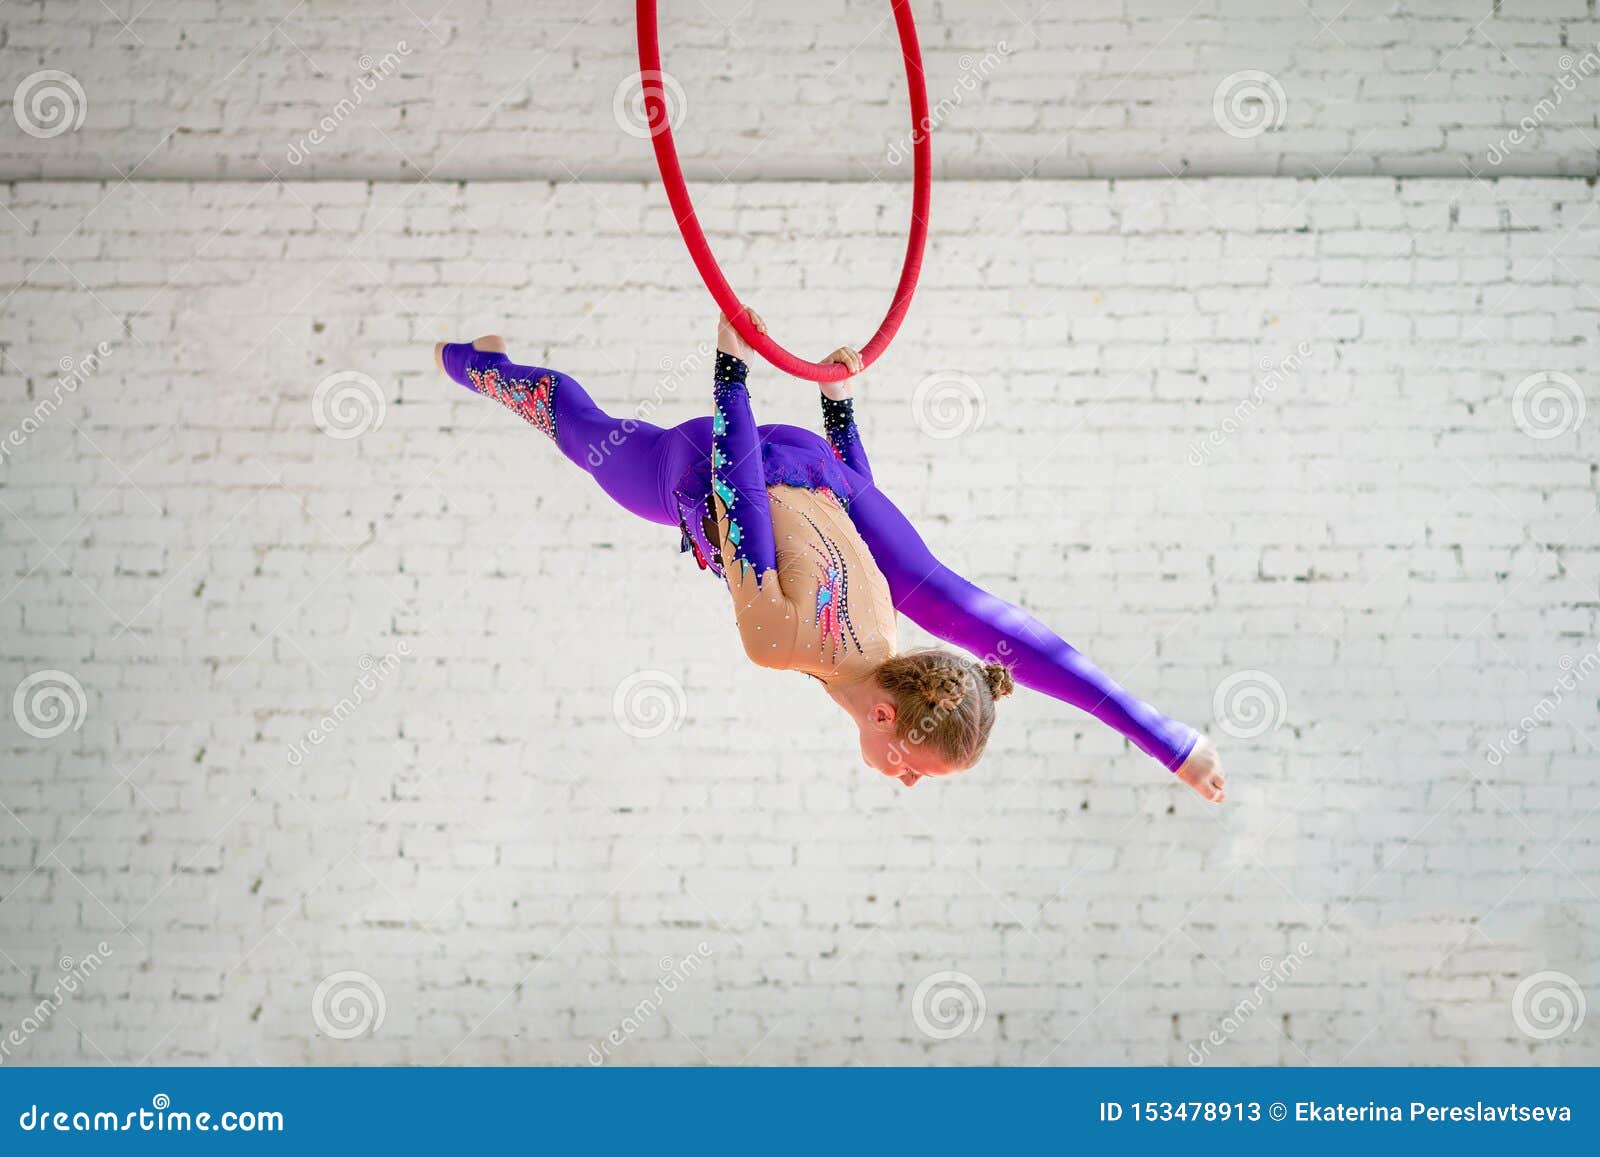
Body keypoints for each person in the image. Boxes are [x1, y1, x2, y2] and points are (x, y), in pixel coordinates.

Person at [434, 311, 1225, 801]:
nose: (905, 779)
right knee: (581, 434)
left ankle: (485, 361)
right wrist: (730, 375)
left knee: (950, 597)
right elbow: (739, 503)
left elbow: (854, 520)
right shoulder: (781, 644)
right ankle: (464, 363)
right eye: (915, 767)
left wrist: (838, 411)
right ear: (885, 715)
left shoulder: (887, 632)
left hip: (819, 466)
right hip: (708, 465)